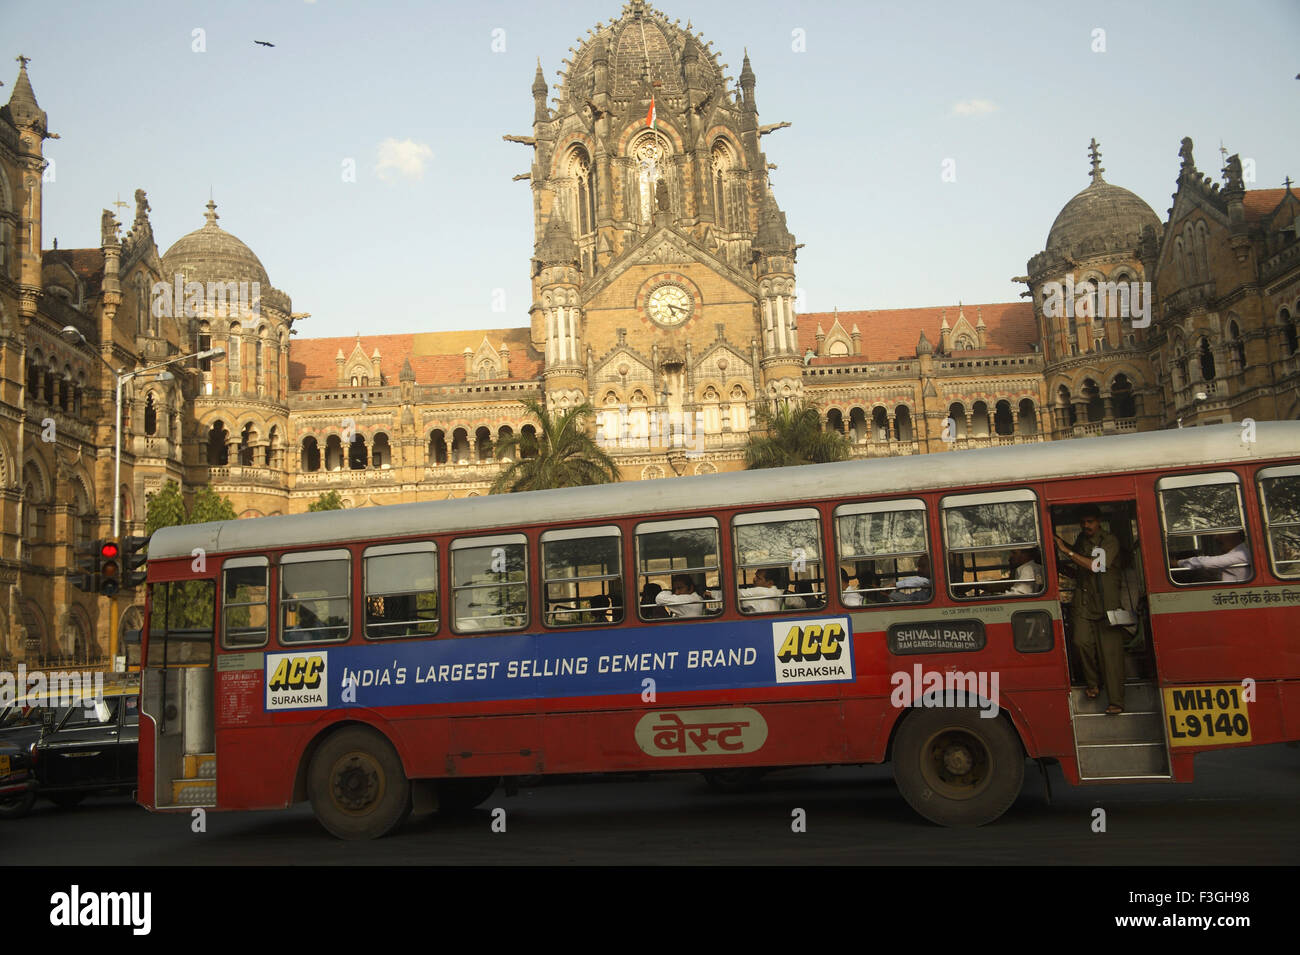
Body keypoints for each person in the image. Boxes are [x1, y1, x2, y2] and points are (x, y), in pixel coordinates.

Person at [1056, 503, 1126, 714]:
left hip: (1107, 606)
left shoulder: (1109, 540)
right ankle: (1093, 683)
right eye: (1083, 522)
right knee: (1080, 642)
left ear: (1099, 521)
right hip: (1084, 604)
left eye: (1090, 521)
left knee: (1110, 655)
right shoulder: (1081, 541)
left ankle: (1116, 701)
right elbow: (1079, 571)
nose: (1086, 525)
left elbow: (1096, 566)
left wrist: (1066, 550)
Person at [1178, 531, 1251, 582]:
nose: (1216, 537)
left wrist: (1177, 563)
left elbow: (1205, 562)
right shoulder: (1236, 553)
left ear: (1236, 534)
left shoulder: (1243, 553)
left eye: (1221, 533)